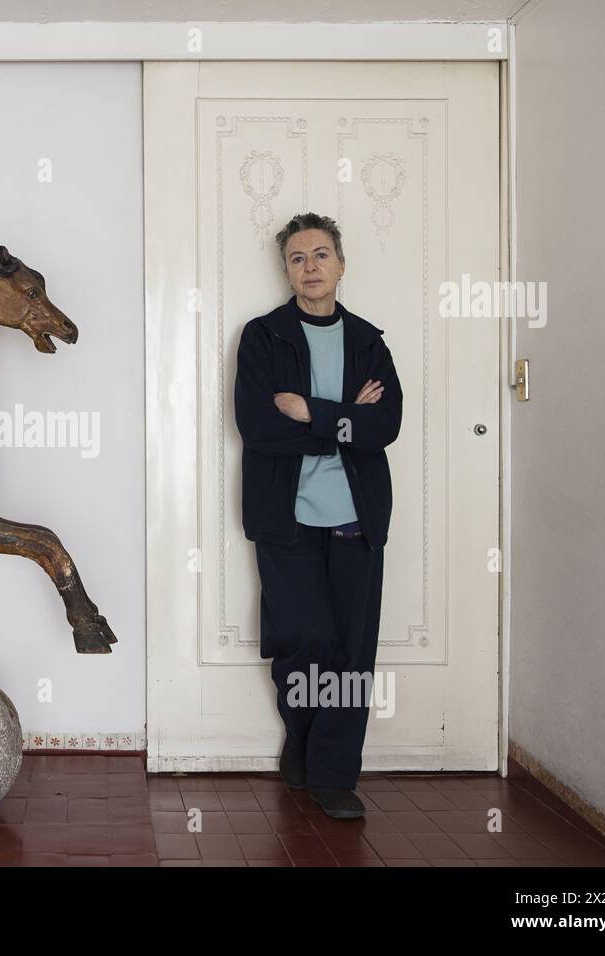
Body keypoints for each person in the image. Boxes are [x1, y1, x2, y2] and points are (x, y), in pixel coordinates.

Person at [233, 212, 403, 819]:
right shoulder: (263, 337)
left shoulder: (367, 342)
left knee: (351, 653)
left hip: (357, 519)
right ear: (286, 269)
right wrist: (340, 421)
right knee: (303, 640)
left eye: (321, 255)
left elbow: (385, 426)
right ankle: (302, 741)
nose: (311, 267)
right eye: (299, 257)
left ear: (340, 264)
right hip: (287, 520)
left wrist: (311, 412)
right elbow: (257, 428)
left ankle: (333, 774)